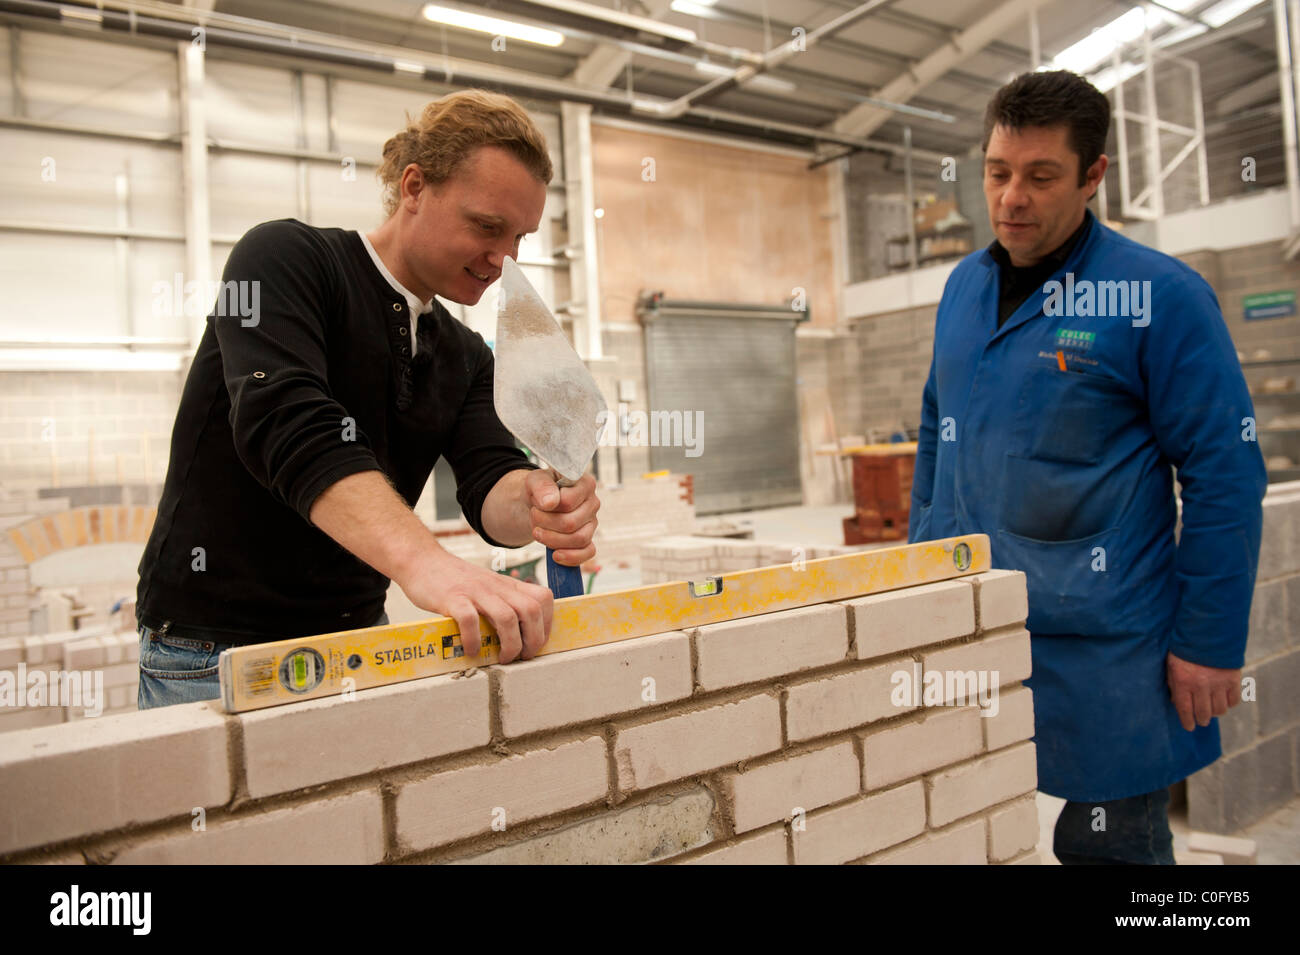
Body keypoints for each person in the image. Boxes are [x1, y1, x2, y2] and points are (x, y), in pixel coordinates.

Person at [136, 89, 599, 709]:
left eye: (519, 236)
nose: (503, 259)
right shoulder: (284, 259)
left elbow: (490, 486)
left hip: (358, 642)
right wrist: (427, 566)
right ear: (414, 188)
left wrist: (537, 502)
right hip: (212, 650)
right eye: (487, 226)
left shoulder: (466, 354)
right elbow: (289, 424)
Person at [909, 70, 1266, 864]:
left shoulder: (1158, 297)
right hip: (975, 623)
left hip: (1109, 646)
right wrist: (918, 570)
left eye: (1041, 177)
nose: (1011, 199)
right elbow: (939, 430)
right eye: (998, 173)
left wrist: (1209, 642)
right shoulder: (963, 289)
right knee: (966, 825)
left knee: (1108, 845)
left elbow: (1226, 471)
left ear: (1094, 175)